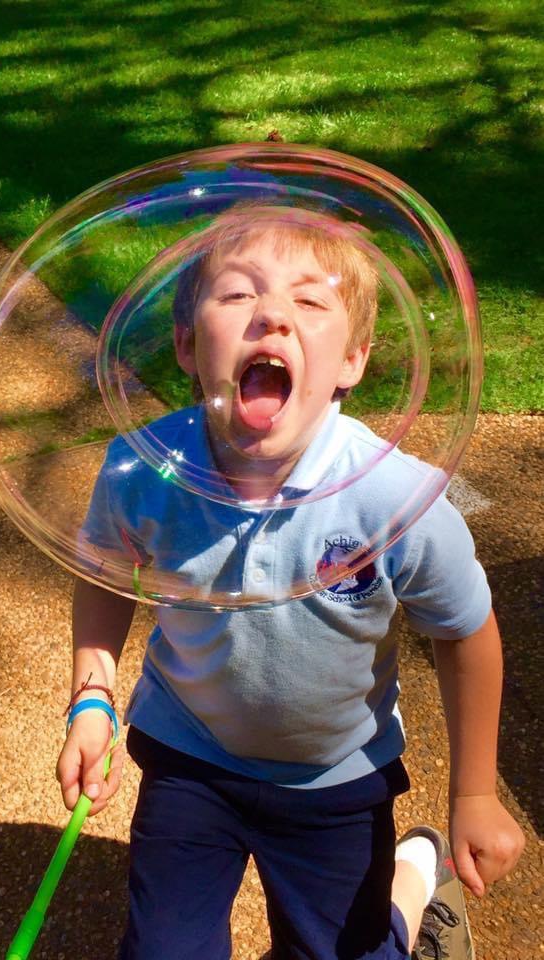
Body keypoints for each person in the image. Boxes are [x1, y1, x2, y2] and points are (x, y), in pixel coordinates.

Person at [57, 206, 524, 959]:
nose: (272, 314)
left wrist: (472, 791)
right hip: (188, 756)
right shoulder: (140, 469)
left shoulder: (394, 499)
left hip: (335, 782)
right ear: (185, 344)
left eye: (309, 302)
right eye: (238, 295)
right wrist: (90, 698)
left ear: (353, 360)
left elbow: (464, 629)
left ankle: (412, 877)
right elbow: (108, 573)